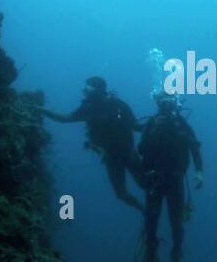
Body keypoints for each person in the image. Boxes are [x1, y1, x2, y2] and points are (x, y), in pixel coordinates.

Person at [137, 92, 204, 262]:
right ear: (158, 104)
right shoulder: (152, 123)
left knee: (175, 222)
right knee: (152, 217)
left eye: (169, 102)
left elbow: (194, 147)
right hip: (155, 179)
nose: (166, 106)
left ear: (174, 104)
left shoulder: (180, 123)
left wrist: (199, 172)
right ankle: (151, 250)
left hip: (174, 178)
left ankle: (175, 257)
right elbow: (141, 150)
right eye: (162, 102)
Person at [42, 76, 144, 212]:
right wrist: (41, 109)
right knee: (121, 194)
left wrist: (157, 126)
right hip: (111, 157)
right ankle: (145, 211)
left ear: (98, 89)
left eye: (88, 88)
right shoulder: (88, 108)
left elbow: (136, 126)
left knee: (146, 184)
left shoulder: (118, 105)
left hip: (128, 153)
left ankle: (151, 212)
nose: (84, 90)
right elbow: (65, 118)